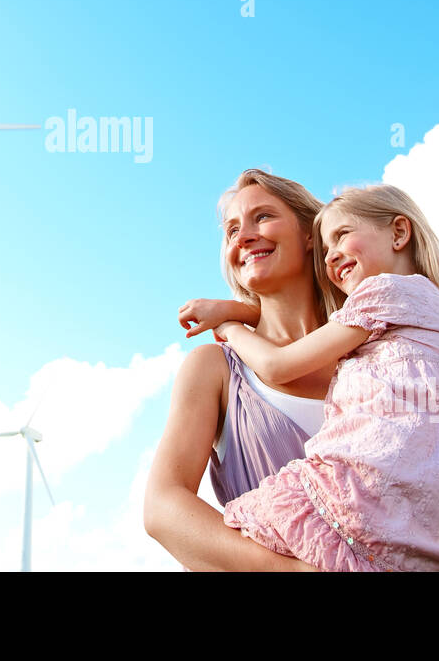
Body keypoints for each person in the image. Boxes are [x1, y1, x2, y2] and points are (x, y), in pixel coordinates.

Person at [193, 183, 439, 571]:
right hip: (424, 540)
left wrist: (230, 324)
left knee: (243, 524)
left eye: (341, 236)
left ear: (399, 233)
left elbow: (278, 363)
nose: (333, 255)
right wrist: (245, 312)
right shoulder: (436, 319)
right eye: (232, 229)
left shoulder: (377, 302)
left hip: (357, 509)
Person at [143, 169, 335, 571]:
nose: (243, 236)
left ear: (310, 234)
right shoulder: (216, 368)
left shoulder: (371, 356)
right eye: (231, 231)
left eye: (262, 217)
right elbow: (163, 506)